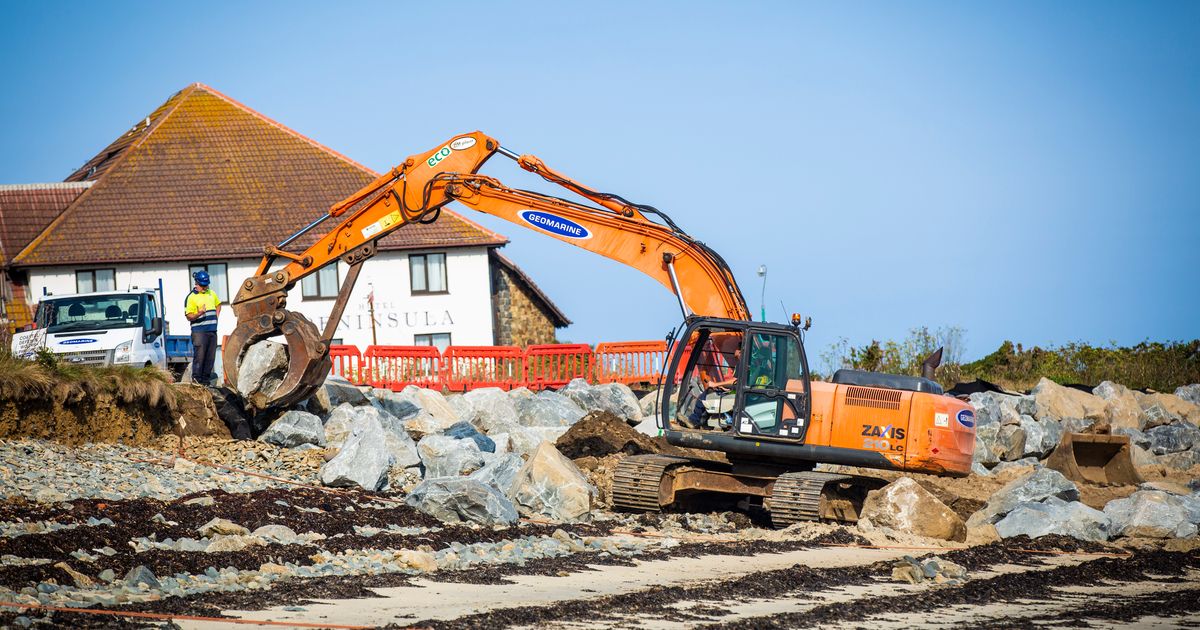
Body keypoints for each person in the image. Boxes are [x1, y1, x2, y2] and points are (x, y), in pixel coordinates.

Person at [184, 270, 221, 385]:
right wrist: (199, 313)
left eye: (206, 285)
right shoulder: (191, 297)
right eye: (203, 286)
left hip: (212, 330)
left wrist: (216, 318)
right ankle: (197, 381)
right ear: (197, 283)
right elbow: (189, 316)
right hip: (199, 332)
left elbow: (218, 305)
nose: (205, 287)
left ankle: (206, 381)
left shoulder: (211, 293)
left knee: (210, 357)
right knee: (200, 356)